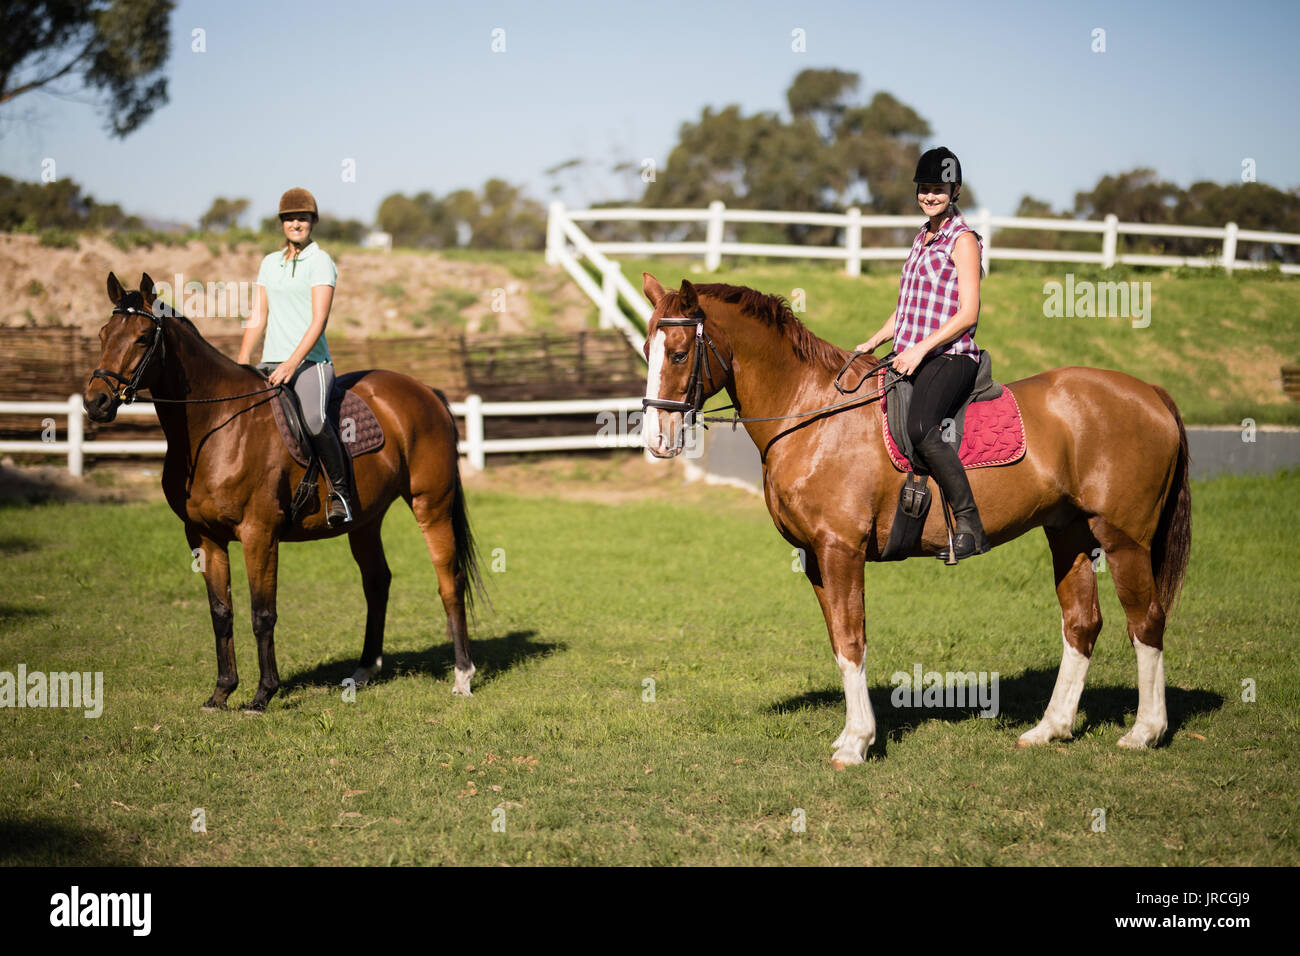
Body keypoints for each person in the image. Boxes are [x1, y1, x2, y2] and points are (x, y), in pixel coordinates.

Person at [856, 146, 988, 561]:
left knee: (922, 427)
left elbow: (968, 313)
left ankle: (968, 524)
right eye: (924, 189)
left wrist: (920, 349)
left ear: (955, 189)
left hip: (951, 356)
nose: (930, 196)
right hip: (911, 352)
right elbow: (908, 307)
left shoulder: (963, 240)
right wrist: (874, 340)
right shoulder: (922, 237)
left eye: (939, 189)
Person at [237, 187, 353, 526]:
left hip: (310, 365)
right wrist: (243, 360)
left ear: (312, 221)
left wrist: (291, 363)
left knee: (315, 420)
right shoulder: (269, 263)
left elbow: (319, 320)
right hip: (269, 363)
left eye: (302, 217)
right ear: (282, 223)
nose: (296, 223)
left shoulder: (321, 262)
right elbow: (258, 316)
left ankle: (340, 493)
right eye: (289, 218)